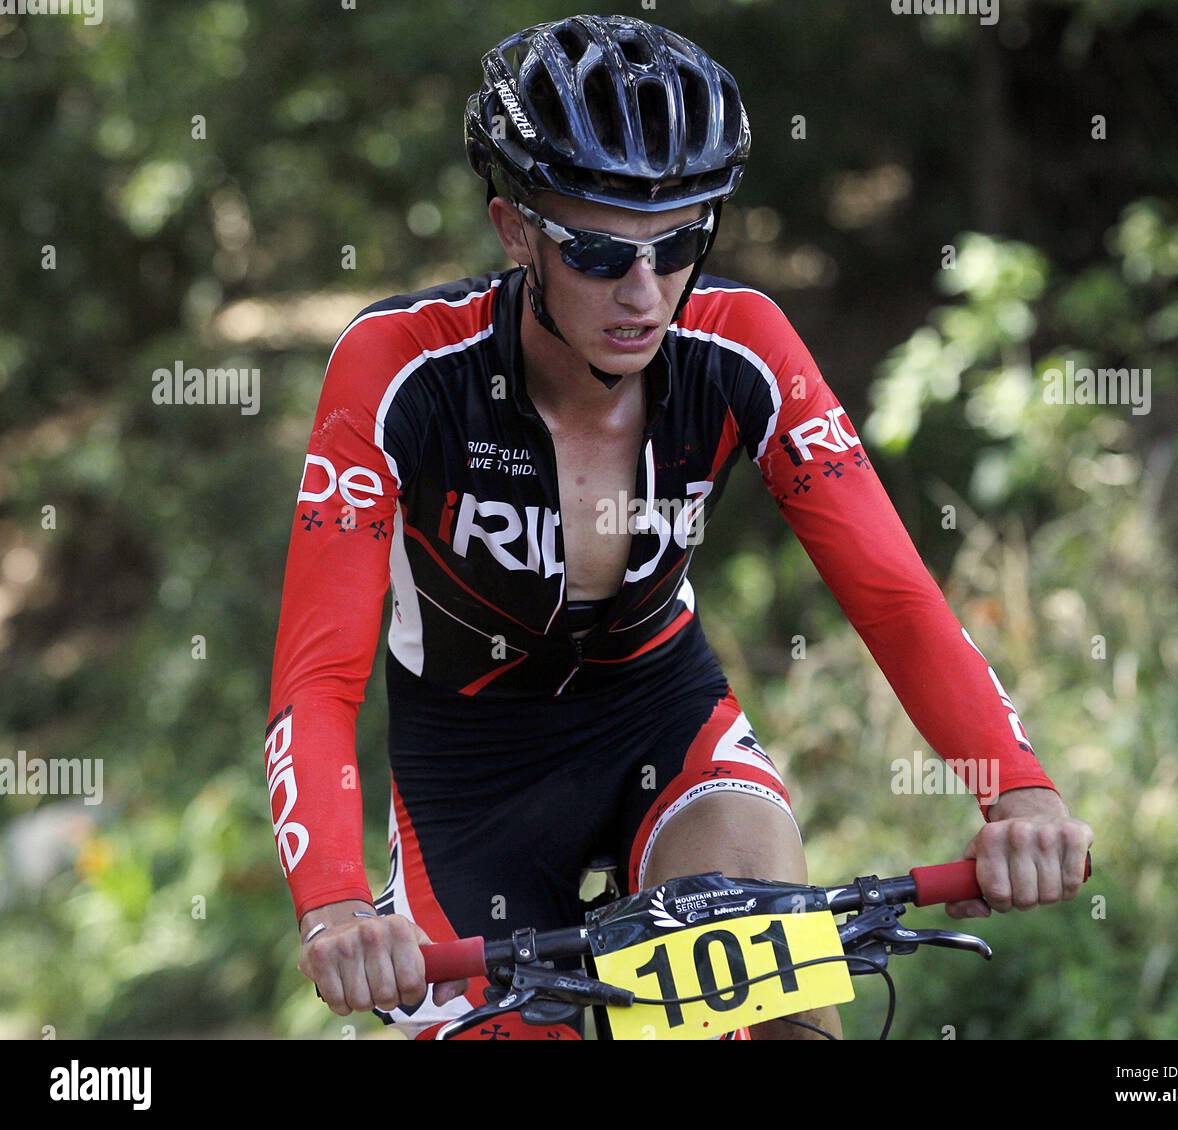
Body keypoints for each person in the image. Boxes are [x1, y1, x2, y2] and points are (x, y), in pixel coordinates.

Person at [264, 13, 1092, 1041]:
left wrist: (1014, 790)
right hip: (471, 773)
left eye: (681, 244)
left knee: (783, 998)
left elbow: (893, 595)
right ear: (516, 229)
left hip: (660, 716)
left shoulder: (739, 345)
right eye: (600, 250)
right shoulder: (399, 373)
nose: (645, 292)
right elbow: (317, 677)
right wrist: (337, 900)